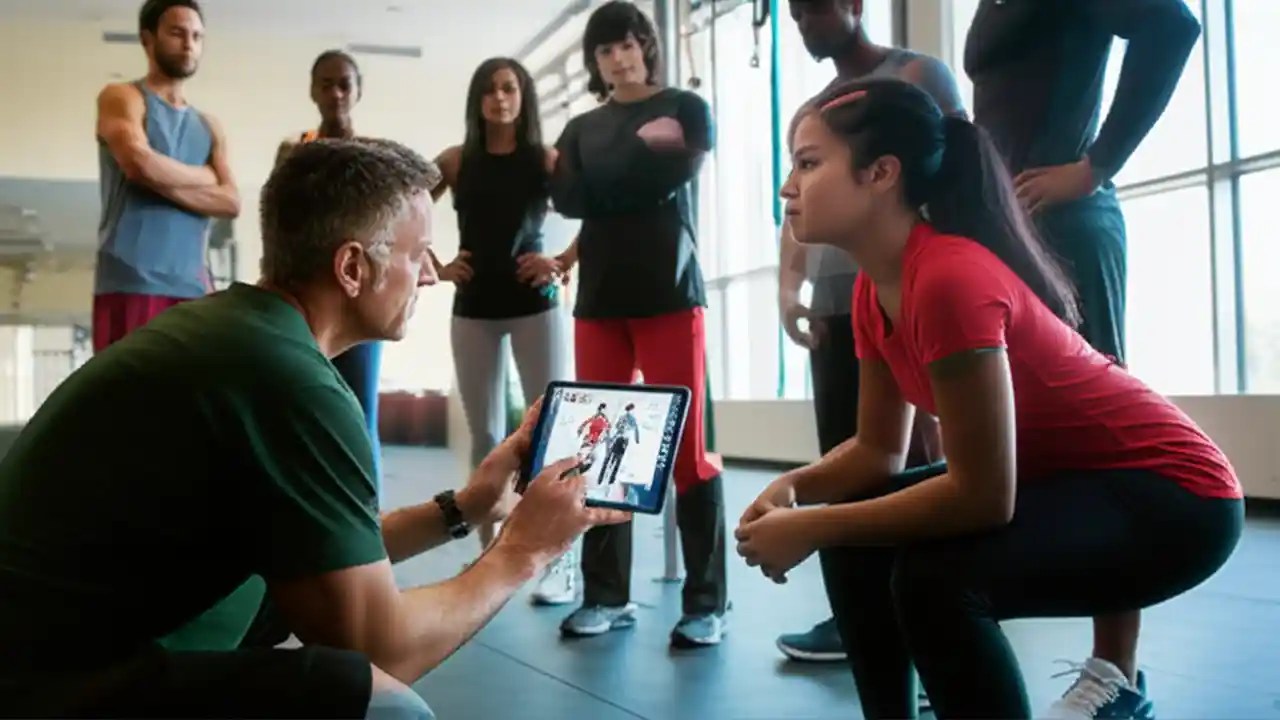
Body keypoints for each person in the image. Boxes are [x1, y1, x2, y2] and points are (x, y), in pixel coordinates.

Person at [0, 138, 628, 719]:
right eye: (417, 254)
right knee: (386, 706)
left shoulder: (240, 333)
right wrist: (525, 550)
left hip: (52, 644)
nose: (433, 275)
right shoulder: (288, 379)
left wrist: (465, 507)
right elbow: (385, 648)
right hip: (54, 688)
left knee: (299, 595)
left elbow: (329, 551)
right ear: (352, 267)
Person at [736, 78, 1242, 720]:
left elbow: (982, 494)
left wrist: (809, 524)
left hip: (1177, 501)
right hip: (1078, 481)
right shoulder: (875, 289)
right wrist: (797, 490)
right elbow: (876, 451)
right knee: (857, 535)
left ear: (881, 173)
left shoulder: (948, 279)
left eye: (808, 163)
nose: (788, 187)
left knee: (933, 582)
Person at [962, 1, 1202, 712]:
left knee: (1106, 442)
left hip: (1067, 225)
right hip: (1009, 229)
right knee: (1011, 433)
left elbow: (1174, 26)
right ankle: (964, 631)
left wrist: (1095, 166)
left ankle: (1116, 672)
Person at [775, 0, 963, 667]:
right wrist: (787, 285)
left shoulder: (918, 75)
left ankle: (927, 615)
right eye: (795, 16)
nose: (806, 24)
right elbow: (797, 203)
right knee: (849, 457)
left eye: (816, 9)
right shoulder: (817, 104)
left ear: (855, 5)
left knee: (918, 463)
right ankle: (859, 616)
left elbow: (958, 178)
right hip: (841, 301)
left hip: (907, 293)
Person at [548, 0, 728, 647]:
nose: (619, 58)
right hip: (599, 298)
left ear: (645, 46)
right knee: (603, 453)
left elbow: (667, 175)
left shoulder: (686, 109)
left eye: (628, 44)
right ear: (595, 63)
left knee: (690, 455)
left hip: (670, 292)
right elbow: (565, 198)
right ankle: (606, 596)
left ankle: (706, 603)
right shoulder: (581, 126)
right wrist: (630, 165)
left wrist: (605, 177)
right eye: (605, 51)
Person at [429, 56, 576, 607]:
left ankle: (560, 562)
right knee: (486, 434)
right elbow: (400, 207)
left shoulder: (545, 159)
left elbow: (600, 206)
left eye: (509, 88)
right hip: (474, 306)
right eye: (489, 90)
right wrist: (434, 263)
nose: (499, 98)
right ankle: (487, 553)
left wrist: (562, 260)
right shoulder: (456, 161)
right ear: (478, 100)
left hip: (534, 304)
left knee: (550, 432)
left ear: (523, 96)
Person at [93, 0, 239, 353]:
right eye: (176, 33)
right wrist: (206, 177)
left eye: (197, 36)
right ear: (147, 39)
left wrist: (160, 178)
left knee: (189, 401)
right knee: (131, 400)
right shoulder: (123, 97)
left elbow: (231, 201)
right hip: (132, 280)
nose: (189, 44)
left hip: (193, 286)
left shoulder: (208, 125)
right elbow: (138, 164)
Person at [275, 49, 386, 489]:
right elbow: (280, 225)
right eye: (326, 83)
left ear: (357, 91)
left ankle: (367, 519)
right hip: (305, 301)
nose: (336, 93)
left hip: (359, 301)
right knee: (301, 404)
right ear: (312, 89)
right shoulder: (294, 152)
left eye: (345, 84)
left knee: (359, 411)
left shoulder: (375, 155)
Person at [600, 403, 640, 485]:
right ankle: (610, 479)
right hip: (623, 440)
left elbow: (617, 426)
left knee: (610, 458)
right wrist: (637, 439)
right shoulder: (632, 419)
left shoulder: (622, 417)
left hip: (617, 438)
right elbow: (635, 429)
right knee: (618, 460)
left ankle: (603, 478)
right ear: (631, 410)